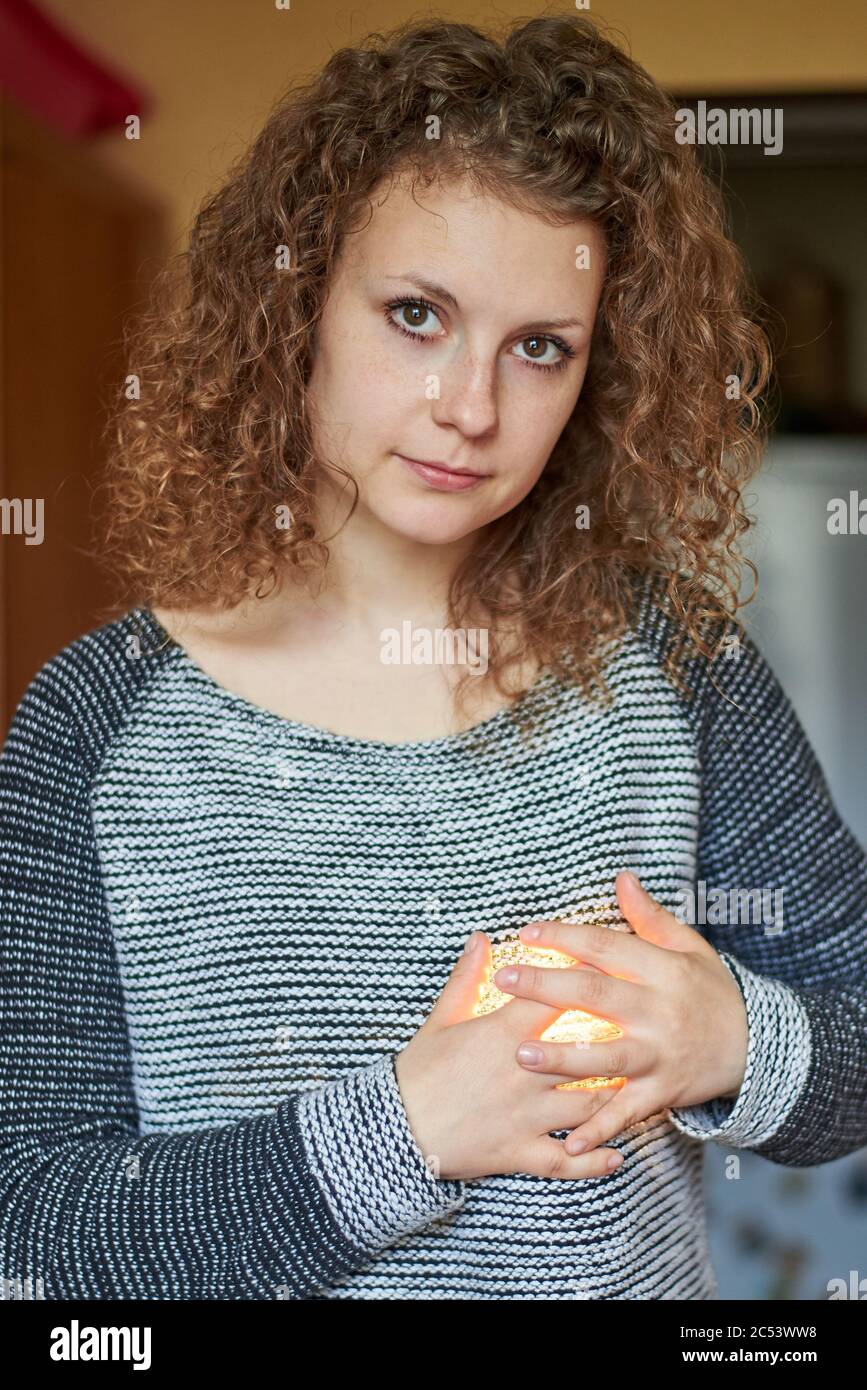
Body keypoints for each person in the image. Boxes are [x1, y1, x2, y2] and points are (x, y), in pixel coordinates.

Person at [1, 14, 865, 1302]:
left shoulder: (679, 666)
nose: (473, 407)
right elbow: (31, 1236)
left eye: (540, 347)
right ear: (298, 304)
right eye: (417, 314)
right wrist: (403, 1133)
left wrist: (732, 1037)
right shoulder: (95, 727)